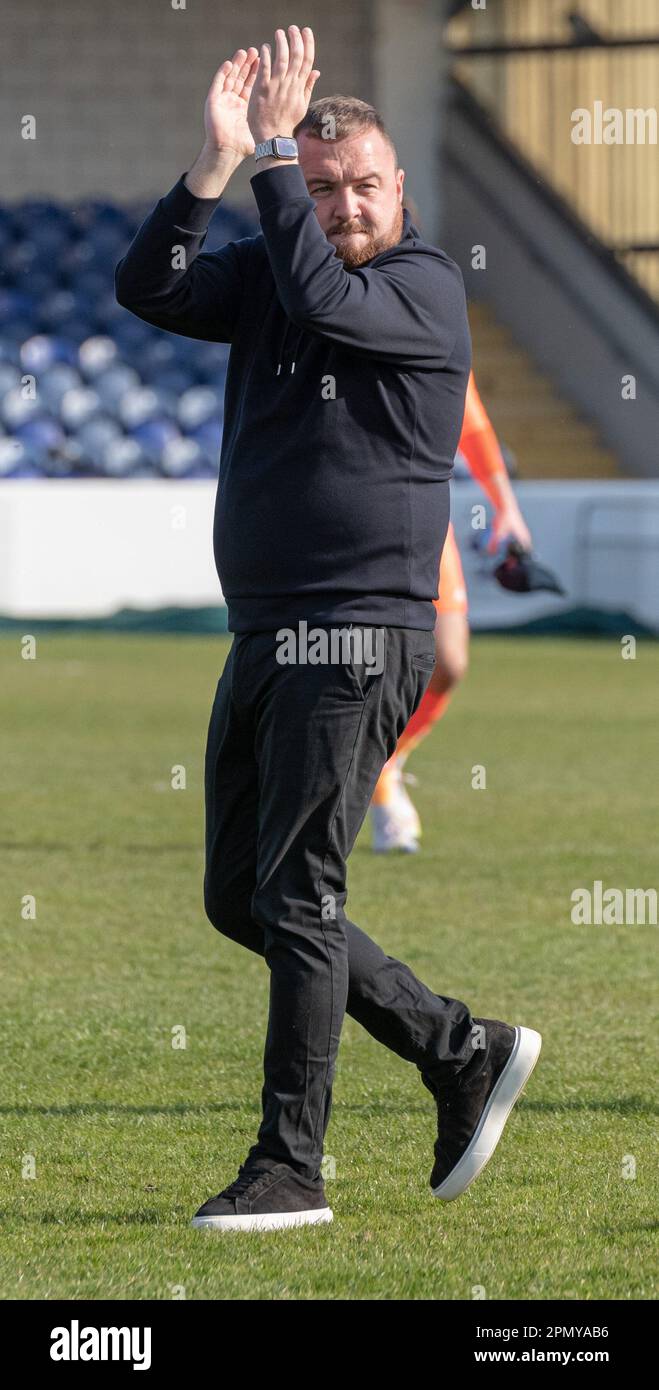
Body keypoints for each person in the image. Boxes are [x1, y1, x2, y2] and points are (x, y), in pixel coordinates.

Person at [115, 26, 541, 1233]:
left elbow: (317, 286)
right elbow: (145, 288)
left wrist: (269, 163)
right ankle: (460, 1050)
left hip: (357, 635)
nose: (344, 203)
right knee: (238, 897)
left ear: (400, 190)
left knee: (294, 896)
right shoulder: (270, 269)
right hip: (266, 633)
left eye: (361, 184)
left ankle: (289, 1170)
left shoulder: (418, 287)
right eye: (320, 188)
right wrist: (212, 169)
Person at [371, 366, 534, 852]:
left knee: (448, 660)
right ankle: (352, 795)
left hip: (419, 506)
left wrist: (504, 503)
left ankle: (383, 768)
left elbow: (466, 406)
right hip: (342, 499)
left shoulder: (432, 307)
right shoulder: (345, 299)